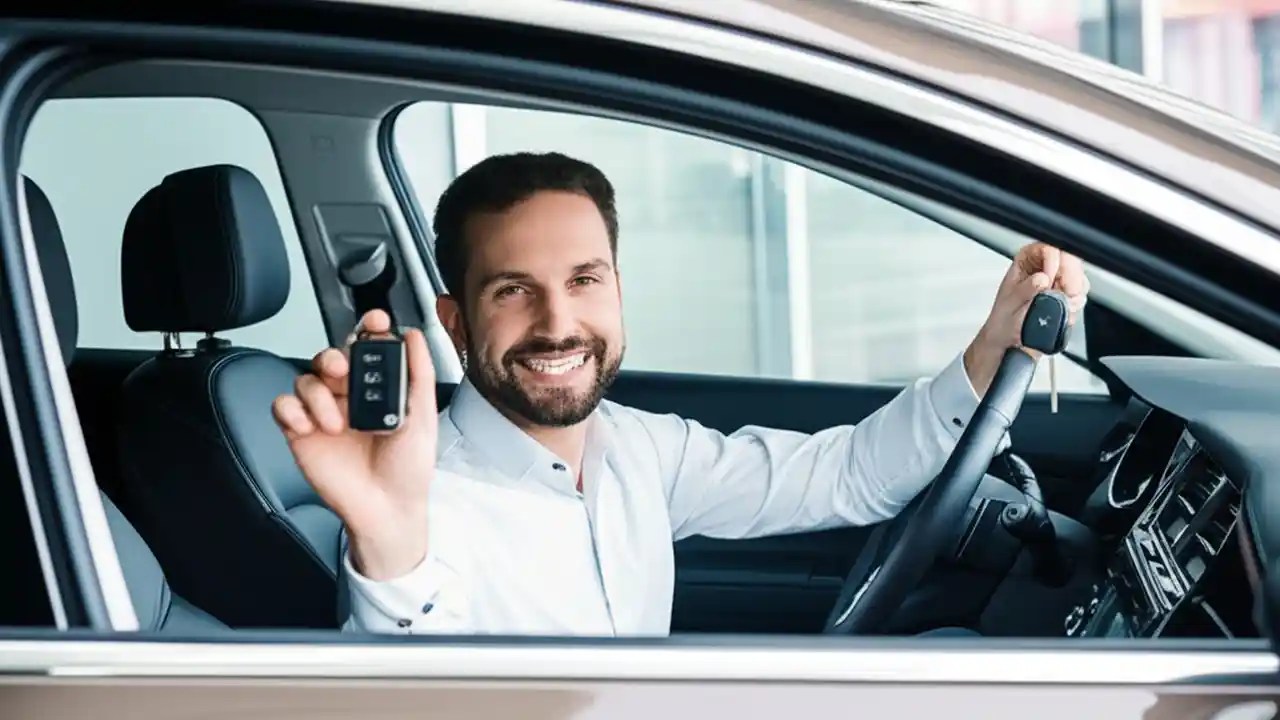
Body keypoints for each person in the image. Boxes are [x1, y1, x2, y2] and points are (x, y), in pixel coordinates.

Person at [272, 152, 1088, 636]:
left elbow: (849, 476)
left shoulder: (638, 449)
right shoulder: (420, 505)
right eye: (514, 291)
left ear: (617, 289)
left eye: (584, 280)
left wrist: (994, 345)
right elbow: (403, 695)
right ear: (454, 319)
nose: (560, 324)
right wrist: (387, 541)